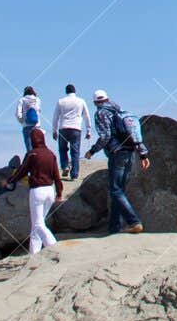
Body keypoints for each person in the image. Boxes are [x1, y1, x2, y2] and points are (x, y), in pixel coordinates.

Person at [85, 90, 150, 235]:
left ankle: (134, 221)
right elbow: (134, 134)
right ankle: (115, 228)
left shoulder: (101, 113)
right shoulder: (120, 111)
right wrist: (143, 154)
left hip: (117, 154)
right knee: (118, 191)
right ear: (107, 99)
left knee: (115, 190)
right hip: (130, 153)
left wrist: (92, 151)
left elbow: (106, 136)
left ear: (95, 102)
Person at [3, 129, 64, 255]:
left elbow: (22, 171)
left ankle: (54, 247)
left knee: (38, 224)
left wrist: (9, 181)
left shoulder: (32, 154)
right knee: (37, 224)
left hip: (37, 191)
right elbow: (57, 176)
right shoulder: (51, 154)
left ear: (32, 140)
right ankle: (34, 254)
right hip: (50, 191)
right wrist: (59, 193)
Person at [51, 84, 92, 181]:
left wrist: (54, 130)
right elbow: (86, 116)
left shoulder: (60, 101)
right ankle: (74, 174)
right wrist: (88, 130)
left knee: (62, 149)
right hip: (76, 128)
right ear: (75, 91)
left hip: (63, 128)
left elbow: (55, 117)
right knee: (75, 152)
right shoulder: (81, 101)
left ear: (66, 91)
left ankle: (65, 166)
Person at [15, 86, 42, 151]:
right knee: (38, 148)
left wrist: (22, 122)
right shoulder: (38, 100)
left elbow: (18, 114)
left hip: (27, 127)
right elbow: (39, 110)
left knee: (30, 150)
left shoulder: (22, 100)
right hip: (37, 127)